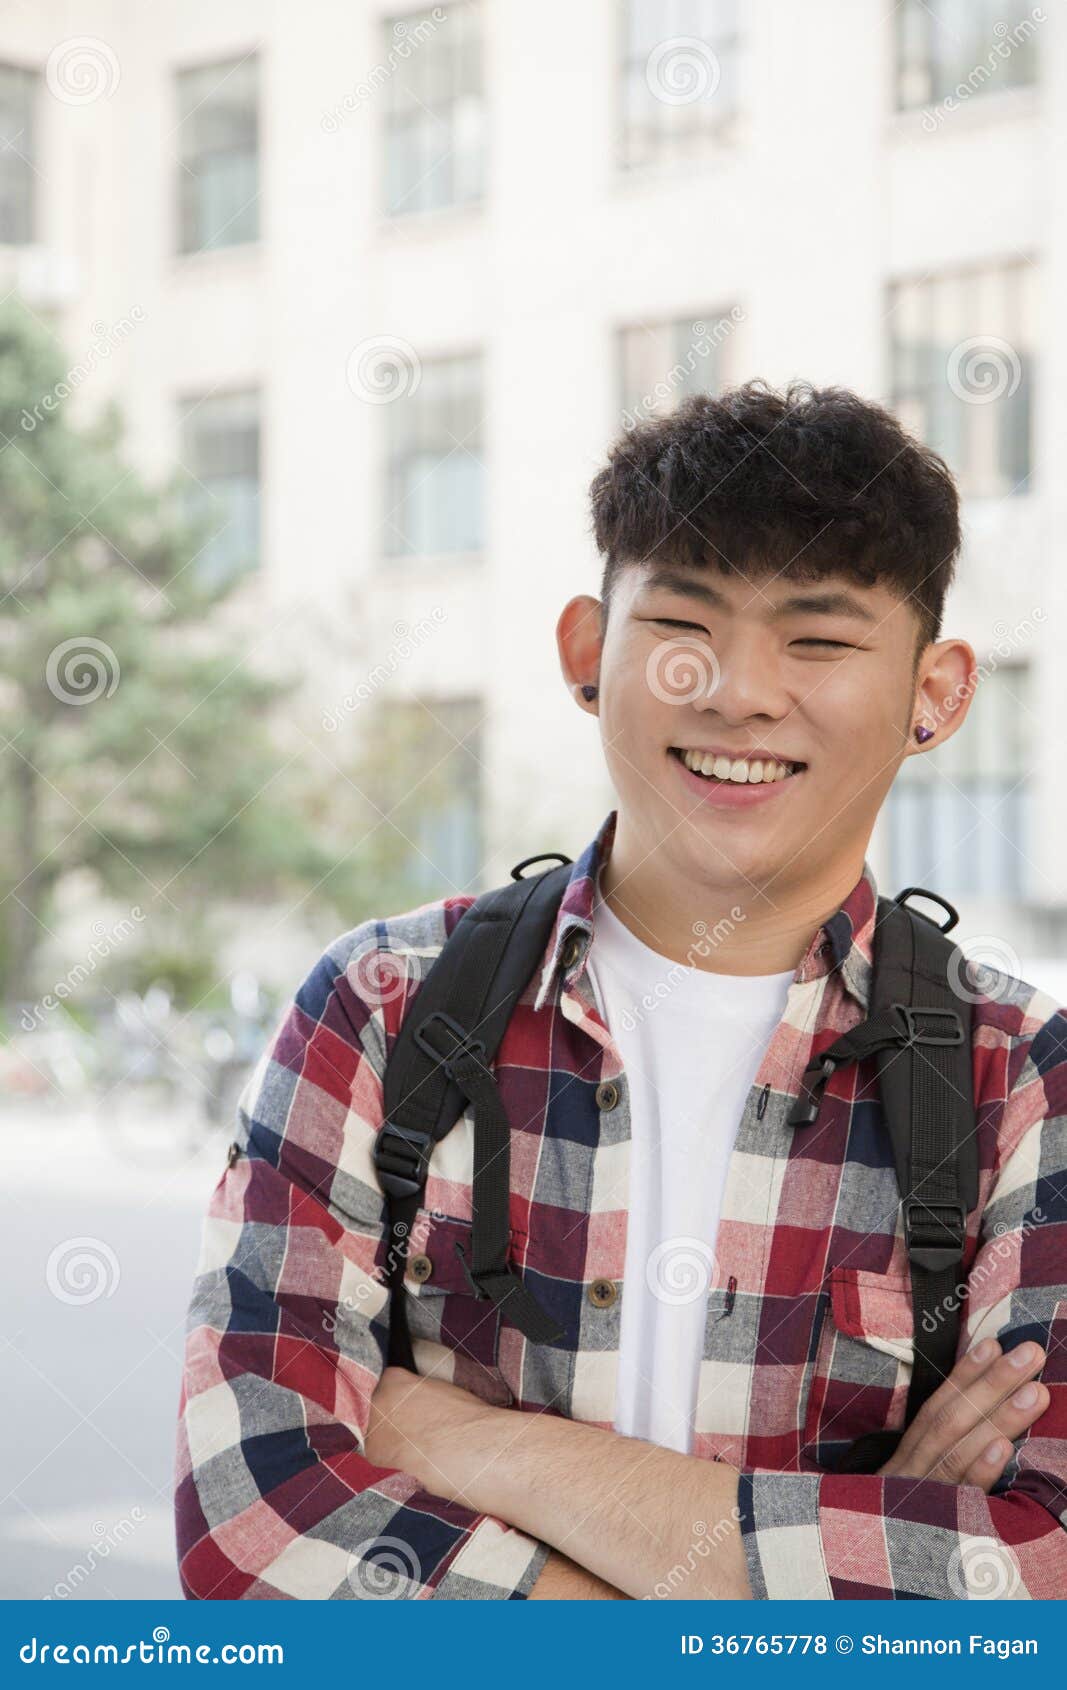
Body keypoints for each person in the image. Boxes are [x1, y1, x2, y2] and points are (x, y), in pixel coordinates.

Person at [174, 380, 1066, 1601]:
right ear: (588, 655)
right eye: (685, 628)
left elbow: (1043, 1573)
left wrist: (456, 1439)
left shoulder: (1017, 1075)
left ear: (935, 692)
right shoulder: (383, 1008)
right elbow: (249, 1525)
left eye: (818, 639)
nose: (740, 691)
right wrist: (859, 1557)